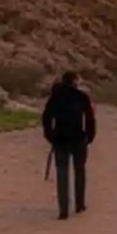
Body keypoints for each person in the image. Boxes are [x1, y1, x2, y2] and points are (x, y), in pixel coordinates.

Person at [41, 71, 97, 220]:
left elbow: (46, 118)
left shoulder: (55, 97)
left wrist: (50, 135)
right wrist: (89, 136)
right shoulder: (81, 97)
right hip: (78, 139)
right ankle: (79, 204)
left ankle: (63, 210)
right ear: (74, 81)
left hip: (60, 140)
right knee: (80, 171)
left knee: (62, 174)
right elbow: (90, 118)